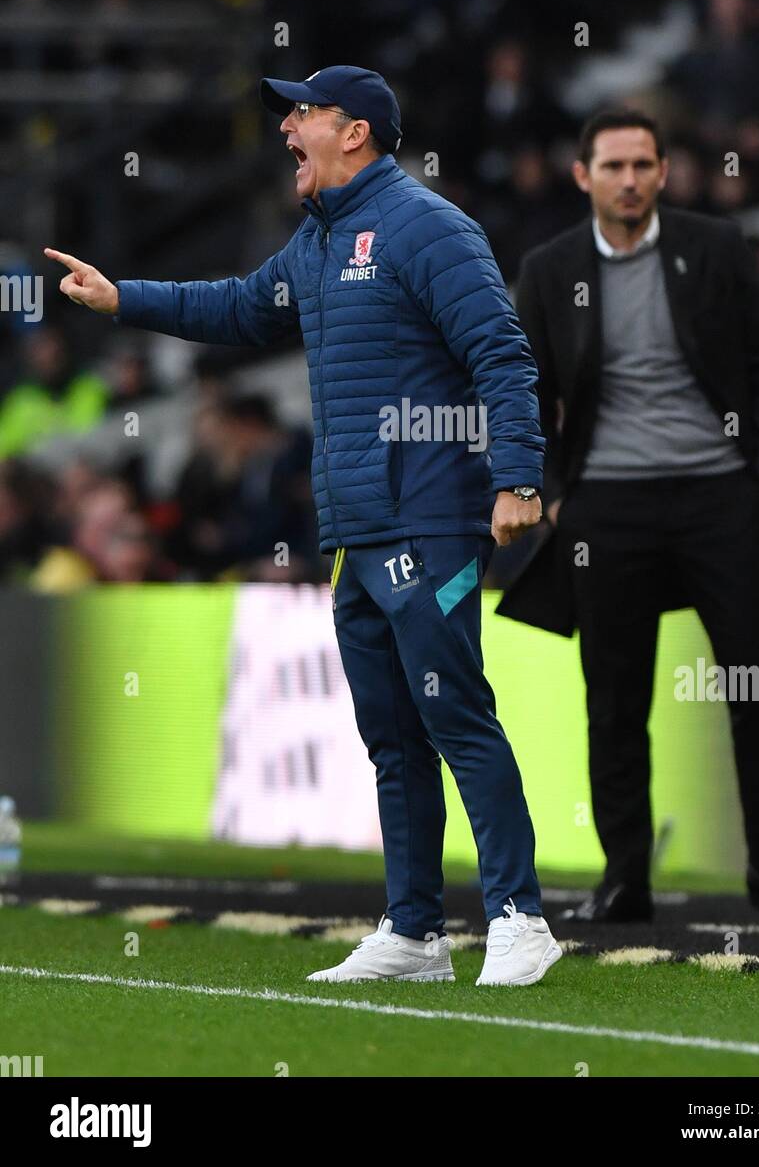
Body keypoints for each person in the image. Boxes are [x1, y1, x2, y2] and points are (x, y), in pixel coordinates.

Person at [45, 64, 563, 986]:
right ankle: (412, 933)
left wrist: (519, 478)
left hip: (431, 519)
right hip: (358, 532)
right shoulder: (318, 242)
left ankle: (520, 917)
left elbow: (504, 354)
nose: (287, 127)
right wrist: (125, 297)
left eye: (303, 112)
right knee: (391, 735)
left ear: (354, 131)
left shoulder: (430, 228)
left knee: (455, 717)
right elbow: (241, 308)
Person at [497, 108, 759, 927]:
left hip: (720, 497)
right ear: (582, 176)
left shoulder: (715, 247)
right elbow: (521, 386)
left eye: (643, 165)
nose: (629, 180)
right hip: (606, 507)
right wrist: (548, 490)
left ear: (662, 173)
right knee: (614, 697)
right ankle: (626, 878)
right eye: (613, 166)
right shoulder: (550, 269)